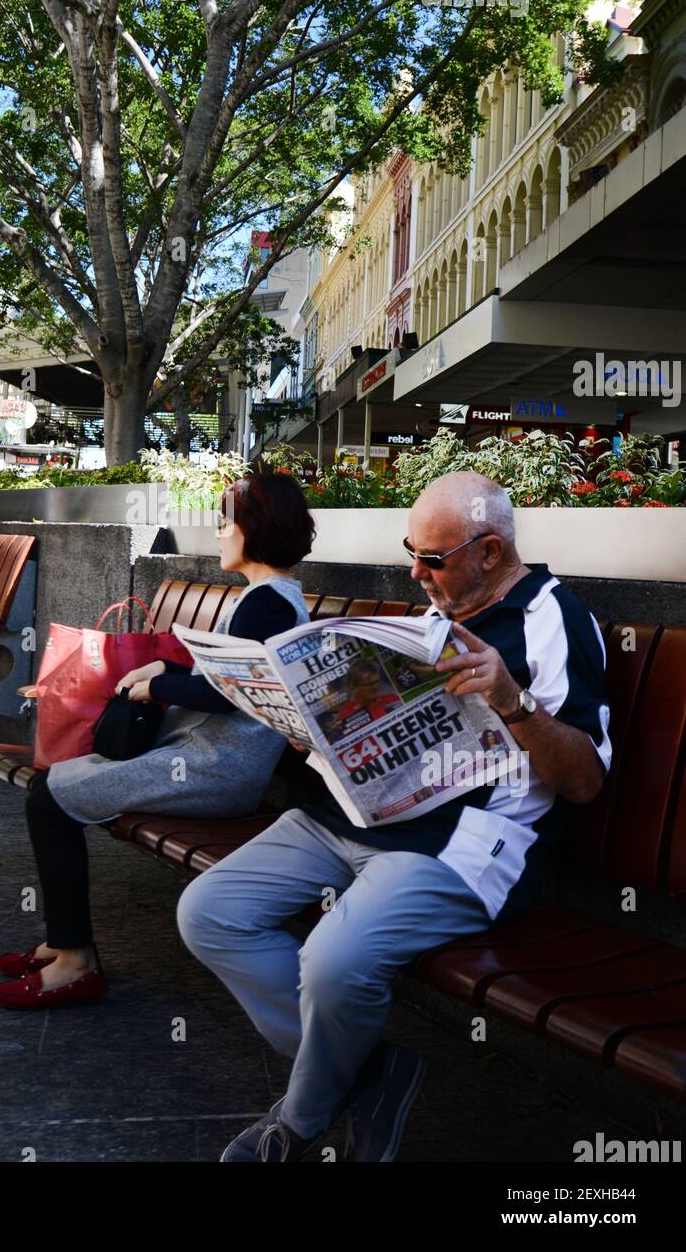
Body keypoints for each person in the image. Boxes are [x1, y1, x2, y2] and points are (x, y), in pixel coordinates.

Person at [178, 471, 612, 1162]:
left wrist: (513, 701)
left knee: (333, 961)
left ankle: (299, 1123)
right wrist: (312, 726)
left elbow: (585, 781)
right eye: (411, 552)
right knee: (208, 911)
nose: (416, 573)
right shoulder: (436, 617)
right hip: (356, 815)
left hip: (458, 843)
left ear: (490, 553)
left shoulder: (550, 620)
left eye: (431, 560)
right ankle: (370, 1072)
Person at [0, 468, 316, 1011]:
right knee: (52, 790)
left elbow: (233, 693)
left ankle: (74, 960)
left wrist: (156, 685)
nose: (217, 533)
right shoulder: (272, 598)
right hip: (210, 756)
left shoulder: (268, 604)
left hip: (219, 769)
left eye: (224, 523)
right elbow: (233, 682)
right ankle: (63, 943)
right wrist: (165, 671)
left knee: (49, 799)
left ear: (252, 531)